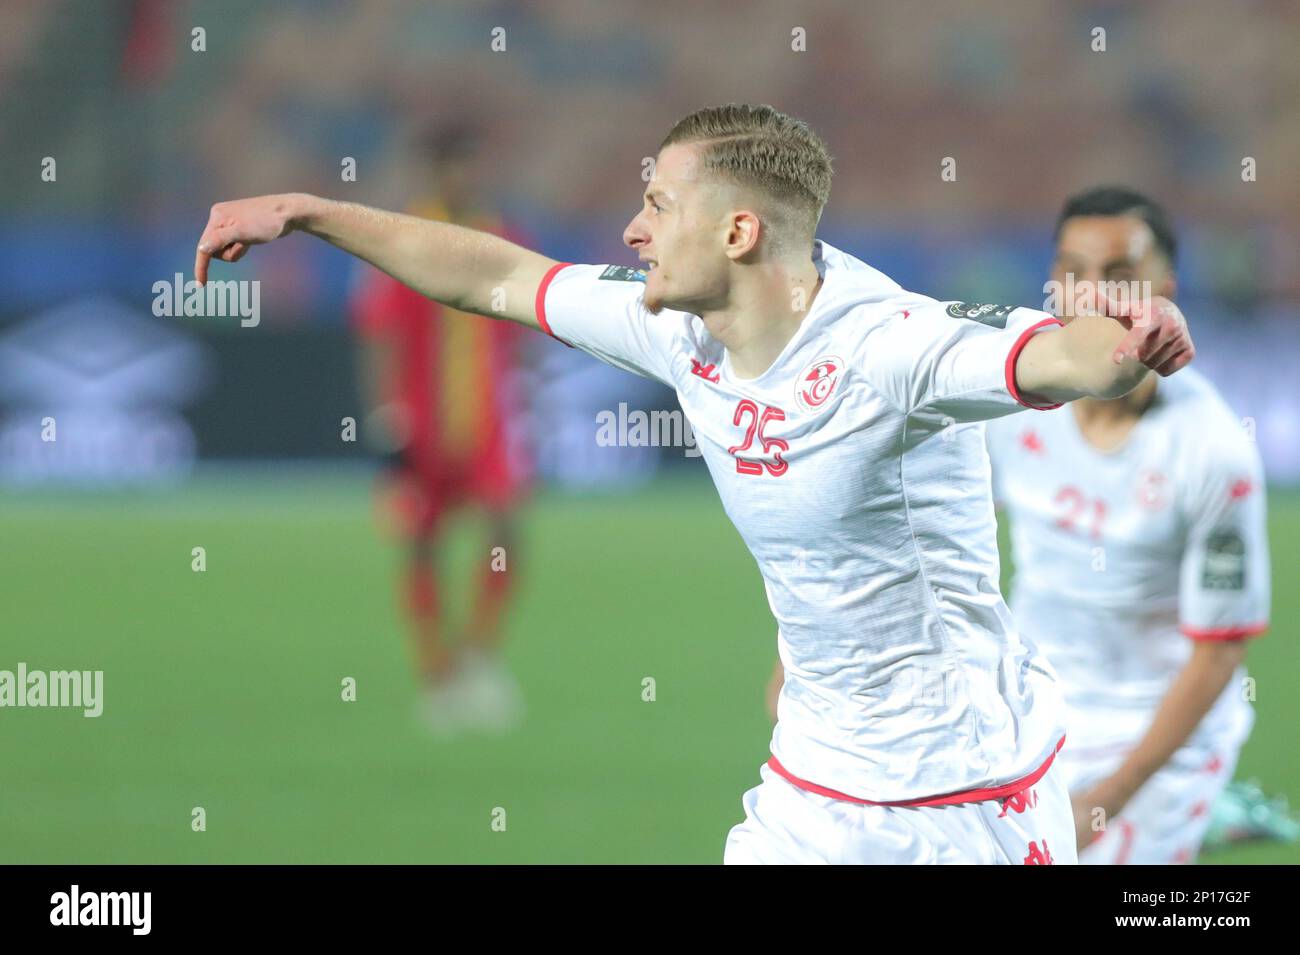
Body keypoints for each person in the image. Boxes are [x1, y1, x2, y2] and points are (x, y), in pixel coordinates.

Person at [194, 104, 1195, 864]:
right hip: (809, 785)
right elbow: (489, 275)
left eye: (658, 205)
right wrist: (307, 213)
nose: (633, 231)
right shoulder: (677, 326)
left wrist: (1130, 343)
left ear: (737, 234)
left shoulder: (890, 346)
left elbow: (1052, 355)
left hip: (962, 801)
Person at [984, 187, 1272, 863]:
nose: (1093, 296)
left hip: (1159, 732)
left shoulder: (1212, 450)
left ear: (1164, 290)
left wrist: (1107, 795)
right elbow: (923, 529)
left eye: (1119, 275)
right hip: (1035, 707)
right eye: (1074, 273)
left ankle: (1201, 801)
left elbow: (1220, 650)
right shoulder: (1007, 404)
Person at [350, 122, 531, 734]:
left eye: (476, 167)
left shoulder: (500, 236)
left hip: (487, 425)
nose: (471, 179)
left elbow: (524, 327)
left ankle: (476, 656)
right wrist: (387, 422)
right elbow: (381, 334)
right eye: (460, 166)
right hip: (425, 427)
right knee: (423, 546)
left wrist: (528, 402)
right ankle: (436, 672)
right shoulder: (406, 239)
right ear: (436, 173)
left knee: (508, 533)